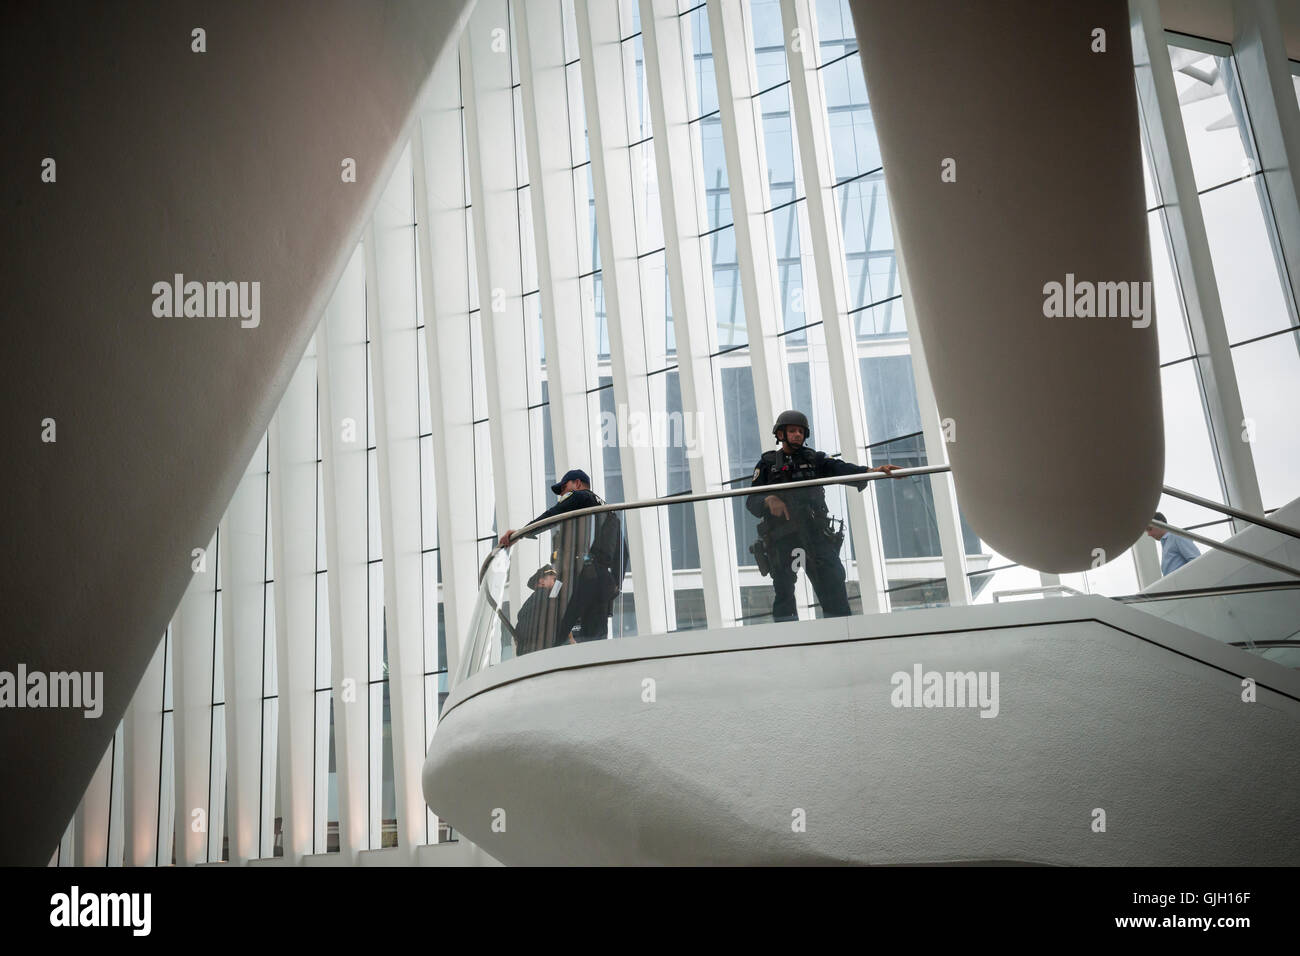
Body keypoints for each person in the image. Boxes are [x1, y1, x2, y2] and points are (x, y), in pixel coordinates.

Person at [748, 410, 901, 622]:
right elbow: (751, 501)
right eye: (792, 431)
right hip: (783, 537)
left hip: (814, 534)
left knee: (833, 577)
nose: (797, 435)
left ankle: (840, 627)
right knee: (784, 588)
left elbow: (841, 469)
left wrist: (872, 470)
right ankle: (786, 636)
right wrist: (768, 500)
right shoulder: (766, 463)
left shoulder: (815, 459)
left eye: (801, 431)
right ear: (781, 434)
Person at [499, 469, 628, 643]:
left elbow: (553, 514)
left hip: (584, 575)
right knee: (596, 636)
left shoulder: (581, 496)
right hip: (603, 579)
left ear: (578, 483)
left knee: (559, 628)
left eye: (564, 488)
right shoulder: (611, 513)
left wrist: (522, 533)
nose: (561, 494)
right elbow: (623, 553)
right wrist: (615, 584)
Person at [513, 564, 559, 657]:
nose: (556, 582)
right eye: (554, 579)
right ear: (541, 581)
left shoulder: (534, 599)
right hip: (539, 652)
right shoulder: (545, 594)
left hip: (526, 651)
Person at [1146, 511, 1200, 576]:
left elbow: (1197, 561)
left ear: (1160, 524)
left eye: (1150, 529)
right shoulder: (1167, 542)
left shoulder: (1177, 536)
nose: (1149, 534)